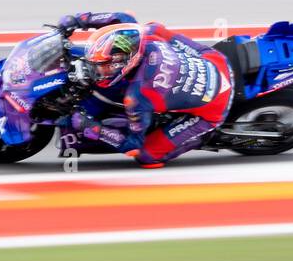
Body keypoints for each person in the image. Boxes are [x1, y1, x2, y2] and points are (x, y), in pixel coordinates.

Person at [55, 11, 234, 168]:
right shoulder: (147, 33)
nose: (100, 70)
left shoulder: (137, 97)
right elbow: (121, 18)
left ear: (127, 62)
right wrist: (80, 20)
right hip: (215, 61)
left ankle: (204, 135)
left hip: (215, 106)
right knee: (157, 29)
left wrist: (93, 128)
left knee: (147, 156)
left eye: (105, 66)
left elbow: (132, 144)